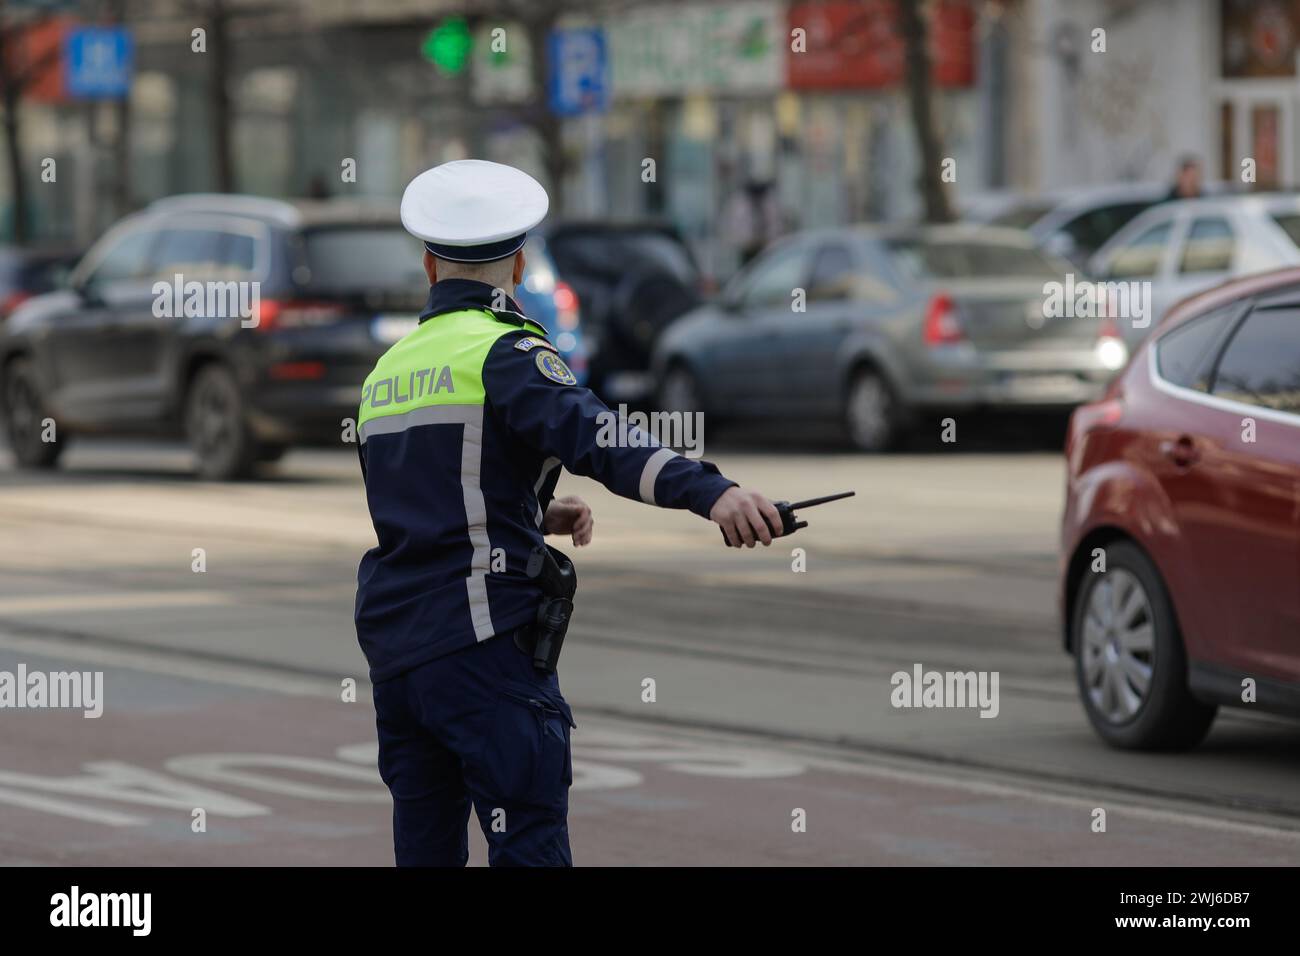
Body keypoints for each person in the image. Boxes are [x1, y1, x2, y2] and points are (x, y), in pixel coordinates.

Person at [355, 159, 783, 866]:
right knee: (528, 844)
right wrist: (712, 492)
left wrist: (530, 510)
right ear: (519, 262)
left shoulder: (389, 370)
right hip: (482, 647)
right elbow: (601, 439)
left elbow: (414, 499)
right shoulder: (507, 352)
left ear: (430, 265)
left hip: (400, 657)